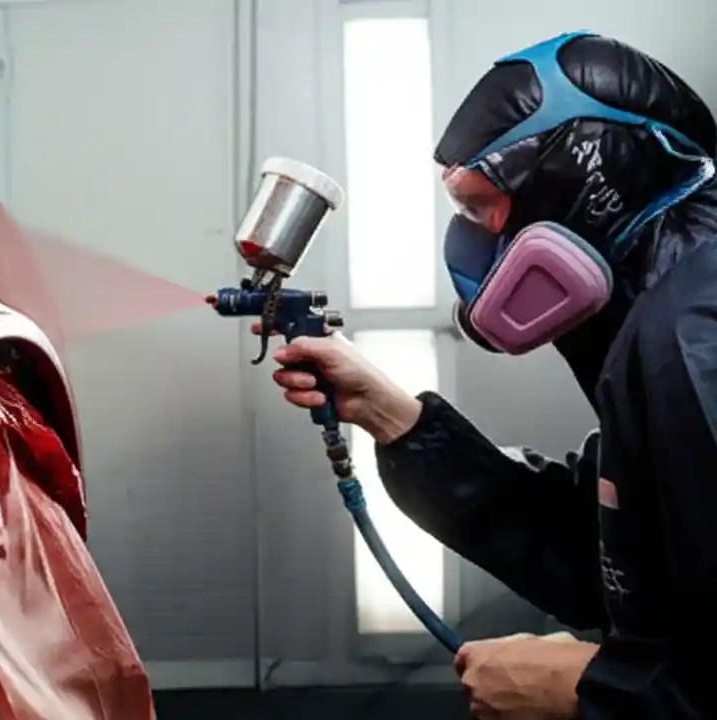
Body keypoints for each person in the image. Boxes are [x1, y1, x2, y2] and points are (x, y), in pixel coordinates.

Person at [268, 31, 717, 718]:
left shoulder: (691, 336)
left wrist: (589, 689)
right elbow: (608, 559)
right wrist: (398, 420)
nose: (473, 244)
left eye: (480, 208)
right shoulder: (655, 323)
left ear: (584, 186)